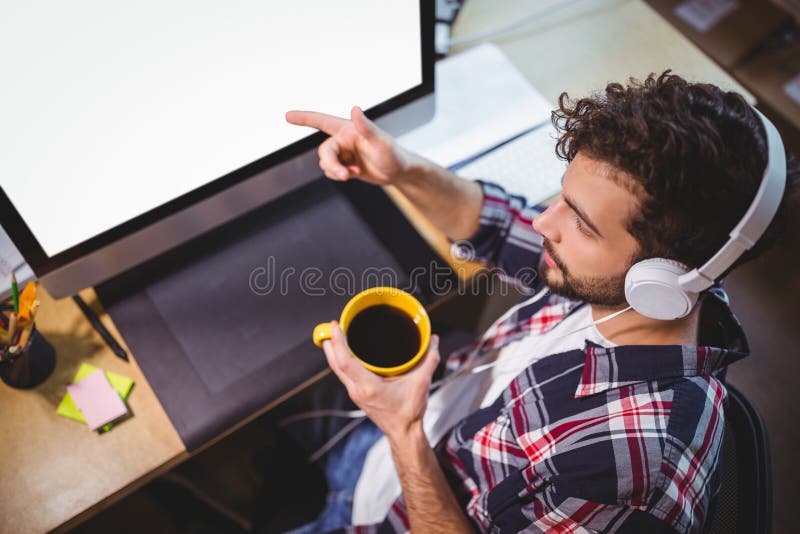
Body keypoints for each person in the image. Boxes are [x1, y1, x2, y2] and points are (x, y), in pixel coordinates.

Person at [281, 71, 799, 532]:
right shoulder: (640, 284)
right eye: (563, 196)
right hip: (398, 443)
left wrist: (404, 430)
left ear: (661, 278)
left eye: (582, 222)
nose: (542, 222)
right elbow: (501, 227)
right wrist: (400, 169)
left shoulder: (631, 476)